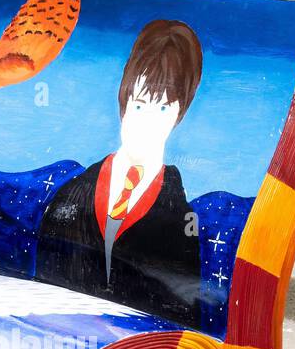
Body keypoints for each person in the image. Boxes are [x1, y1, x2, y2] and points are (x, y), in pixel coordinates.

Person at [35, 19, 203, 328]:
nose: (147, 124)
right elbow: (46, 283)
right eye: (139, 106)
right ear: (123, 102)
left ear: (181, 113)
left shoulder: (180, 220)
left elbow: (183, 310)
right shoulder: (72, 195)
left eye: (164, 109)